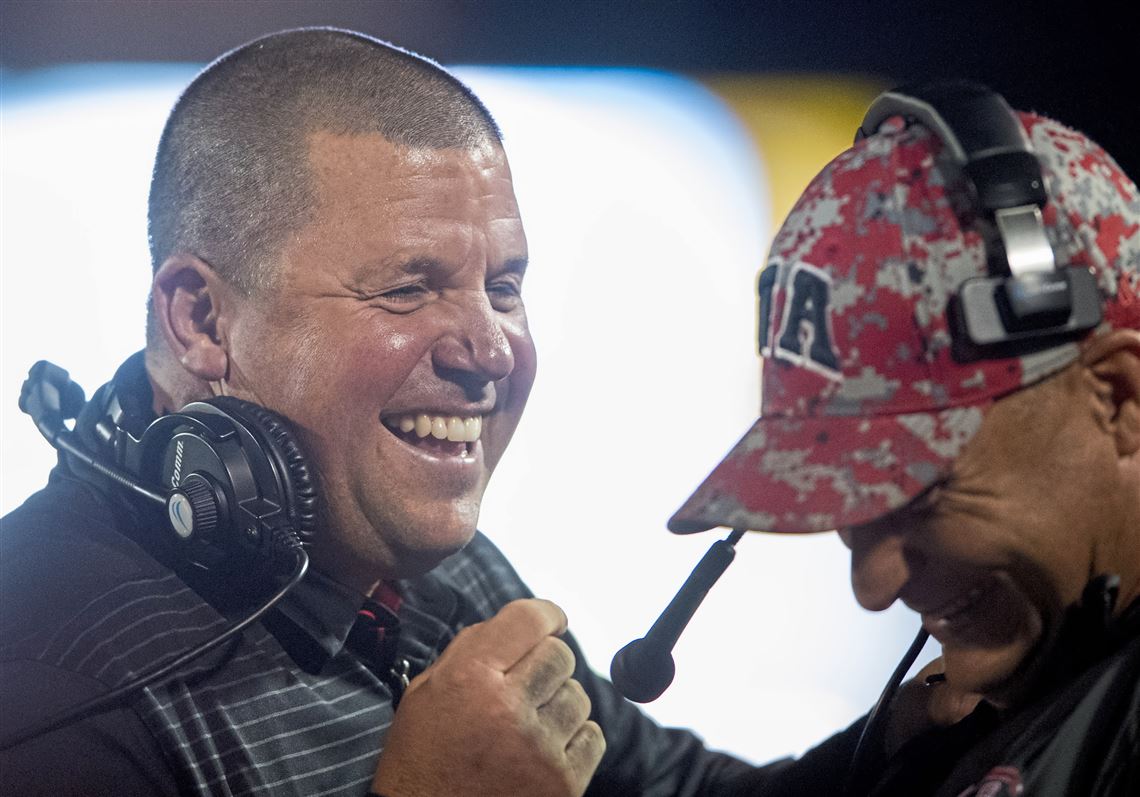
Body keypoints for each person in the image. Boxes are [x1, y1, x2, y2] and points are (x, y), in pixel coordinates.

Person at [0, 26, 875, 797]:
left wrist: (945, 731)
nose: (490, 348)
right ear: (201, 318)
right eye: (407, 288)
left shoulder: (418, 570)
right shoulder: (44, 696)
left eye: (503, 288)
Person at [667, 82, 1140, 795]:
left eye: (915, 489)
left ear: (1120, 399)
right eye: (845, 501)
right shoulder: (1031, 678)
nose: (873, 586)